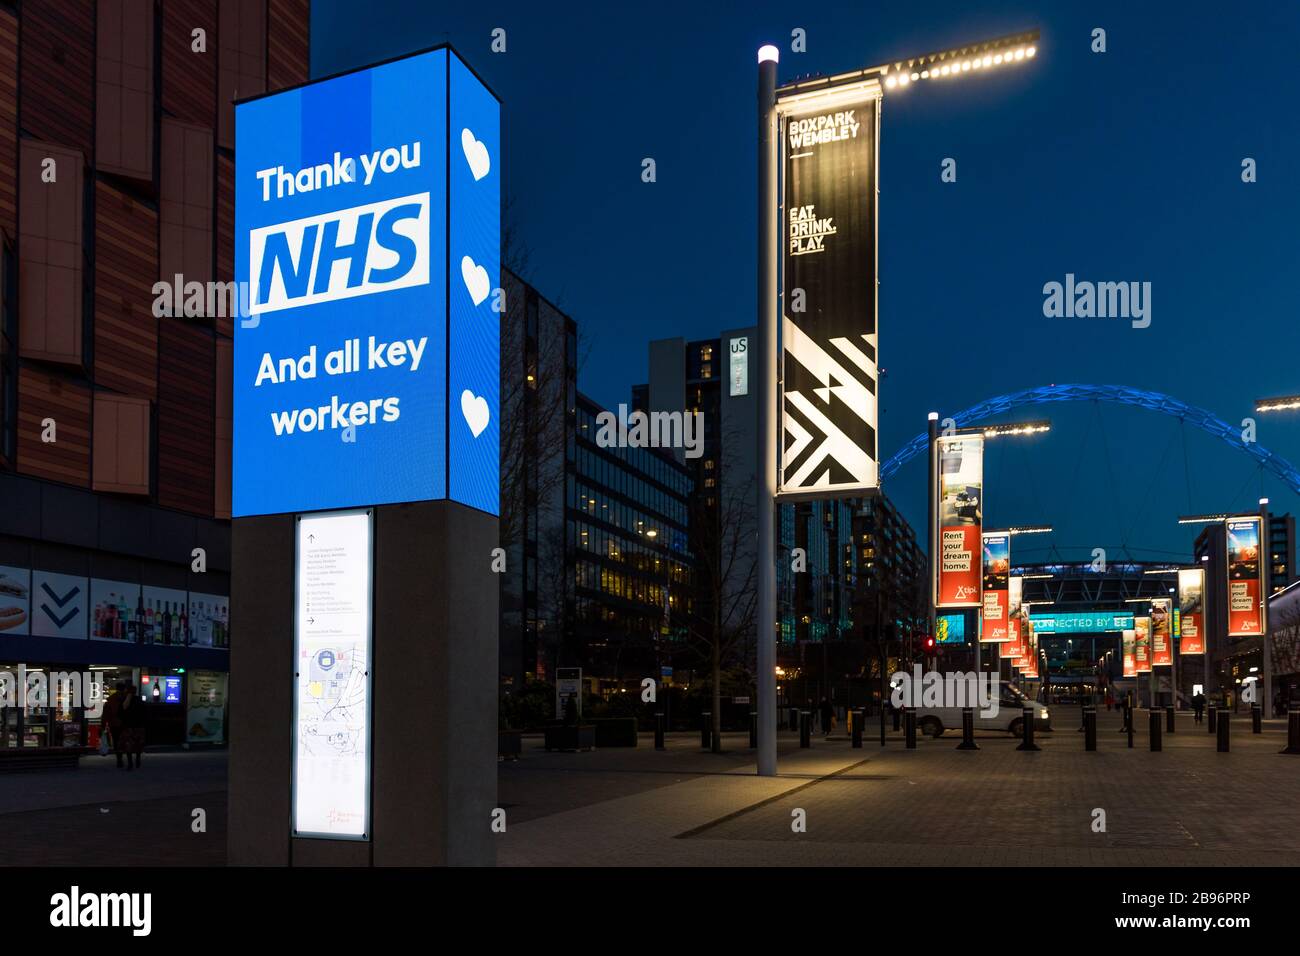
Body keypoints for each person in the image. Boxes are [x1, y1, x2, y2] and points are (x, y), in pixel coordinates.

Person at [119, 683, 147, 770]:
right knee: (138, 744)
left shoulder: (125, 700)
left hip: (128, 726)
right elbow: (145, 713)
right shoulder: (140, 700)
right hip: (139, 726)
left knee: (128, 746)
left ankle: (130, 763)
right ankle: (138, 759)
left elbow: (121, 712)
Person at [102, 682, 126, 768]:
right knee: (126, 740)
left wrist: (103, 725)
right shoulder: (128, 698)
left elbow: (106, 714)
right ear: (124, 688)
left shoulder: (111, 699)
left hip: (114, 724)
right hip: (126, 724)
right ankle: (128, 757)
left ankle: (119, 758)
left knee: (116, 741)